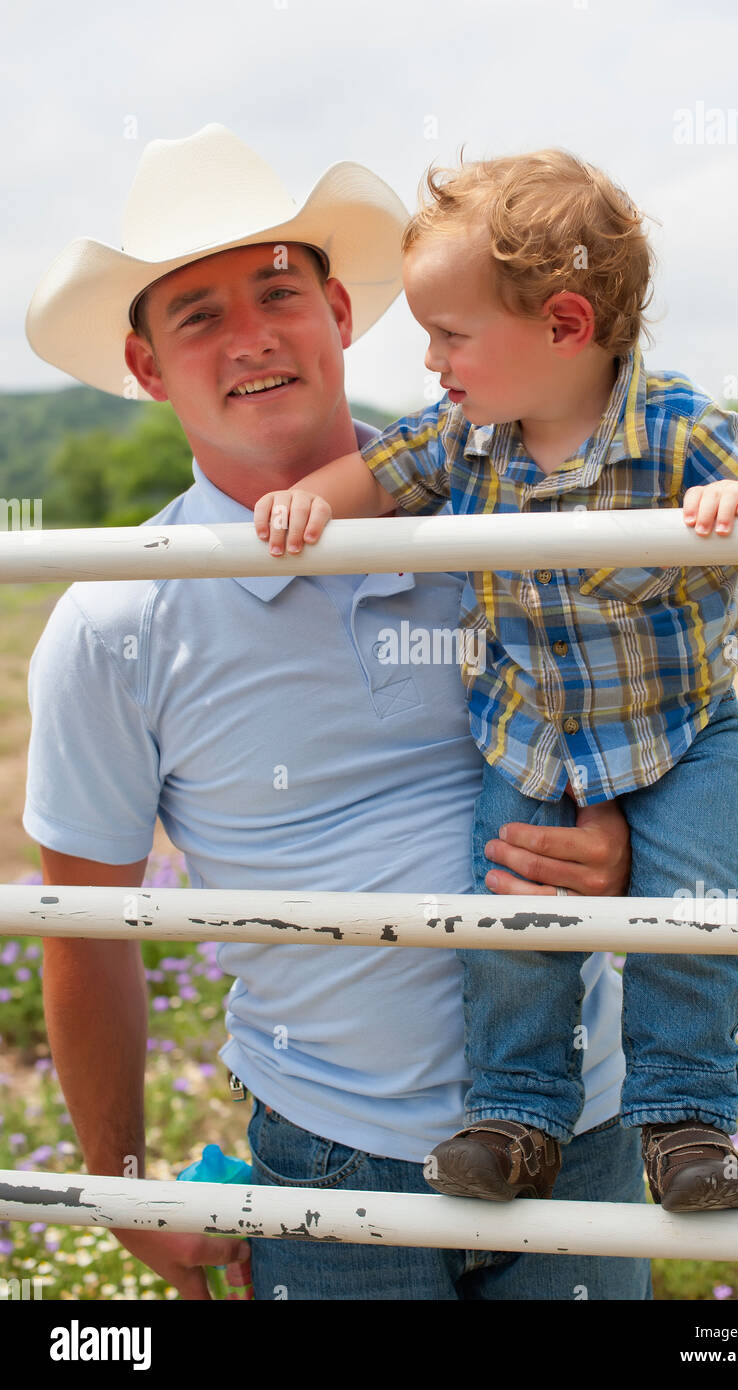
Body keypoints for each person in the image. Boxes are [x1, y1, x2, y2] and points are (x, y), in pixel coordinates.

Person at [23, 125, 647, 1301]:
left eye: (278, 292)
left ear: (342, 312)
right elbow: (85, 927)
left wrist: (622, 841)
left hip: (585, 1117)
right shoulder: (118, 618)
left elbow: (650, 723)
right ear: (148, 368)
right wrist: (123, 1186)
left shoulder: (509, 513)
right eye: (197, 315)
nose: (253, 336)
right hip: (334, 1161)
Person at [253, 149, 738, 1212]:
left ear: (561, 325)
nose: (430, 360)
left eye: (449, 335)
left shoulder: (677, 423)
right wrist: (305, 503)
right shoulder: (466, 438)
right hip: (532, 730)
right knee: (507, 929)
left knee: (690, 924)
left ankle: (686, 1125)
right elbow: (375, 474)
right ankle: (515, 1114)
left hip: (680, 731)